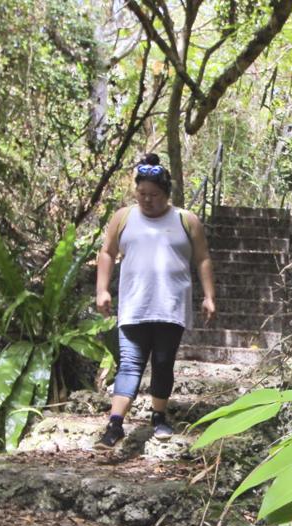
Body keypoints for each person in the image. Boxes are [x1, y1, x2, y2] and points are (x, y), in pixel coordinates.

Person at [93, 153, 216, 449]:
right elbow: (107, 252)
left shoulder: (186, 221)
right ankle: (115, 424)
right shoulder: (124, 217)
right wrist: (102, 289)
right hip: (134, 306)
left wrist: (209, 296)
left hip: (171, 307)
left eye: (154, 195)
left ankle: (158, 416)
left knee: (163, 363)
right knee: (130, 365)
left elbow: (202, 259)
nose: (147, 200)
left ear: (166, 194)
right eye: (142, 194)